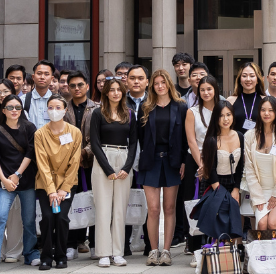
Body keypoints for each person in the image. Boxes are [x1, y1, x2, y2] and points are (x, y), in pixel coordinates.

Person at [85, 78, 137, 267]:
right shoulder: (98, 113)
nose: (115, 93)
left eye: (119, 90)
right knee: (104, 208)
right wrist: (107, 169)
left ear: (123, 92)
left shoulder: (130, 114)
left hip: (123, 158)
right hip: (103, 159)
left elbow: (133, 143)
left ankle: (118, 252)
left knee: (119, 210)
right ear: (106, 92)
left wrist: (127, 167)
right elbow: (95, 143)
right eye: (112, 90)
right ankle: (104, 253)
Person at [138, 68, 187, 266]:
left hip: (172, 160)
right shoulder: (145, 107)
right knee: (153, 208)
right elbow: (139, 136)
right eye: (156, 83)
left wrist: (183, 160)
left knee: (169, 207)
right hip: (150, 161)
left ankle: (166, 251)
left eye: (163, 82)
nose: (159, 86)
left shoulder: (181, 107)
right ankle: (153, 250)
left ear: (169, 84)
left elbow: (185, 136)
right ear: (152, 86)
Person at [0, 94, 40, 269]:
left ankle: (30, 253)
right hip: (5, 184)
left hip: (26, 181)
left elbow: (30, 153)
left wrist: (17, 174)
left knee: (29, 220)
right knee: (0, 218)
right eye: (10, 107)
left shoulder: (29, 128)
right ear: (3, 111)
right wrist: (4, 180)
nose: (14, 111)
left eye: (18, 107)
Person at [34, 96, 82, 270]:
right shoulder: (40, 134)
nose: (54, 111)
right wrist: (51, 190)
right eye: (50, 107)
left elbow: (74, 162)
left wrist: (64, 189)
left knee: (61, 218)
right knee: (47, 218)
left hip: (67, 184)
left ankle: (61, 255)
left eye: (58, 107)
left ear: (65, 110)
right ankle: (46, 255)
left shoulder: (75, 132)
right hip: (45, 184)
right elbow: (42, 163)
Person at [183, 75, 225, 262]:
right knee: (197, 205)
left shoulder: (222, 110)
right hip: (197, 161)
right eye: (202, 90)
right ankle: (196, 251)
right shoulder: (192, 112)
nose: (206, 92)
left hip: (220, 160)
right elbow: (191, 140)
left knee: (217, 206)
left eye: (209, 89)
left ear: (215, 89)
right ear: (198, 92)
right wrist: (202, 165)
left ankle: (216, 245)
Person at [195, 104, 246, 240]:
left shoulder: (240, 136)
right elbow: (210, 168)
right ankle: (214, 253)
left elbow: (240, 165)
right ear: (216, 118)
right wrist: (219, 191)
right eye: (221, 115)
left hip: (233, 182)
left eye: (228, 114)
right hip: (214, 183)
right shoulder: (211, 140)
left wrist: (236, 188)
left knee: (233, 219)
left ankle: (233, 251)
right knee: (217, 220)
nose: (225, 119)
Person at [245, 97, 276, 234]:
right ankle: (263, 255)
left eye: (271, 110)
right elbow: (249, 170)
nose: (267, 113)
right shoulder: (250, 136)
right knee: (262, 223)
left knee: (272, 223)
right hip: (260, 190)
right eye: (263, 110)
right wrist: (257, 197)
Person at [230, 62, 267, 132]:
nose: (248, 79)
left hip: (259, 142)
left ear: (257, 80)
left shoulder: (265, 101)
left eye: (252, 76)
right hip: (236, 141)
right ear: (240, 80)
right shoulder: (230, 101)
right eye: (244, 76)